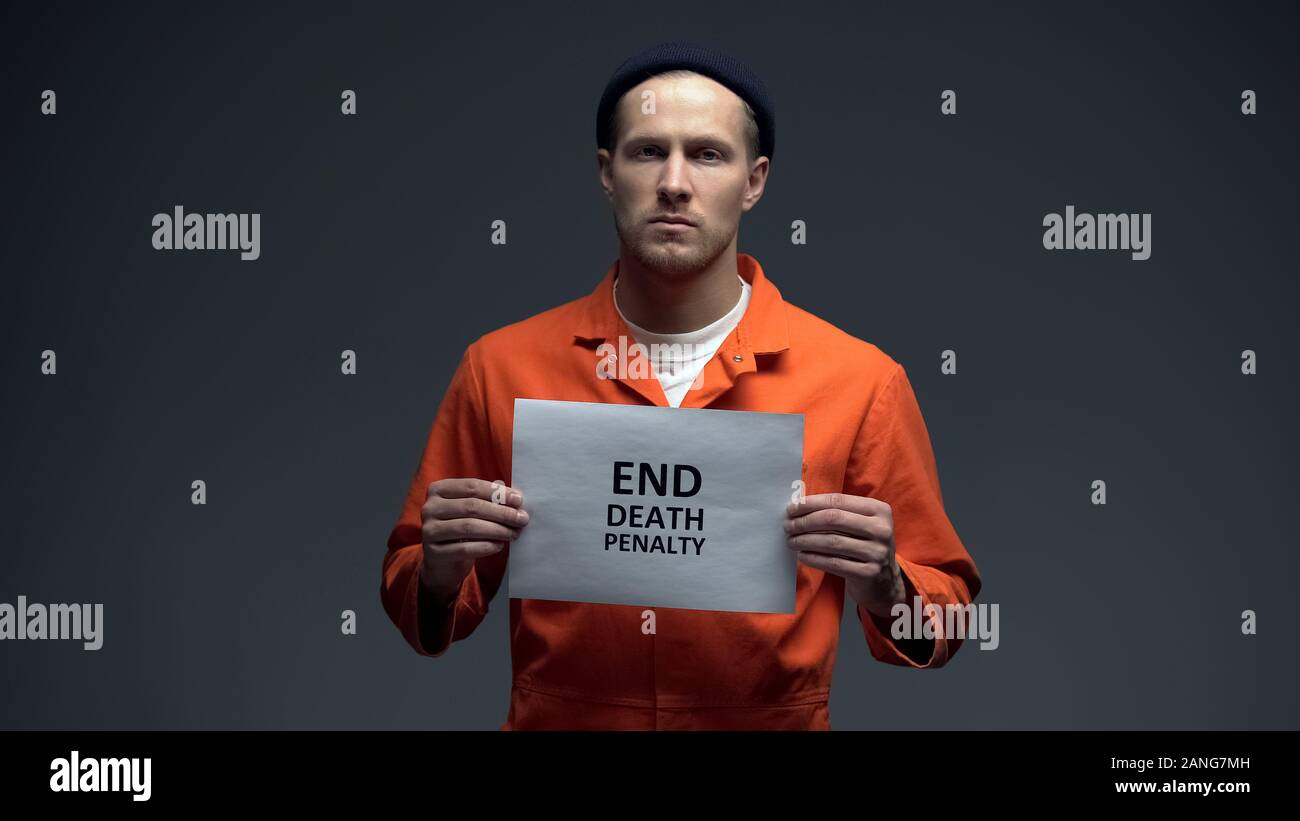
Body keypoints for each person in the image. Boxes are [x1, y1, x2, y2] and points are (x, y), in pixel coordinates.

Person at [380, 41, 982, 730]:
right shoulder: (499, 366)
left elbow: (948, 614)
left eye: (706, 154)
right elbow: (418, 606)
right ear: (607, 173)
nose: (673, 181)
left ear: (754, 181)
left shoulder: (862, 380)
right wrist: (435, 571)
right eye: (646, 152)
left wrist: (888, 586)